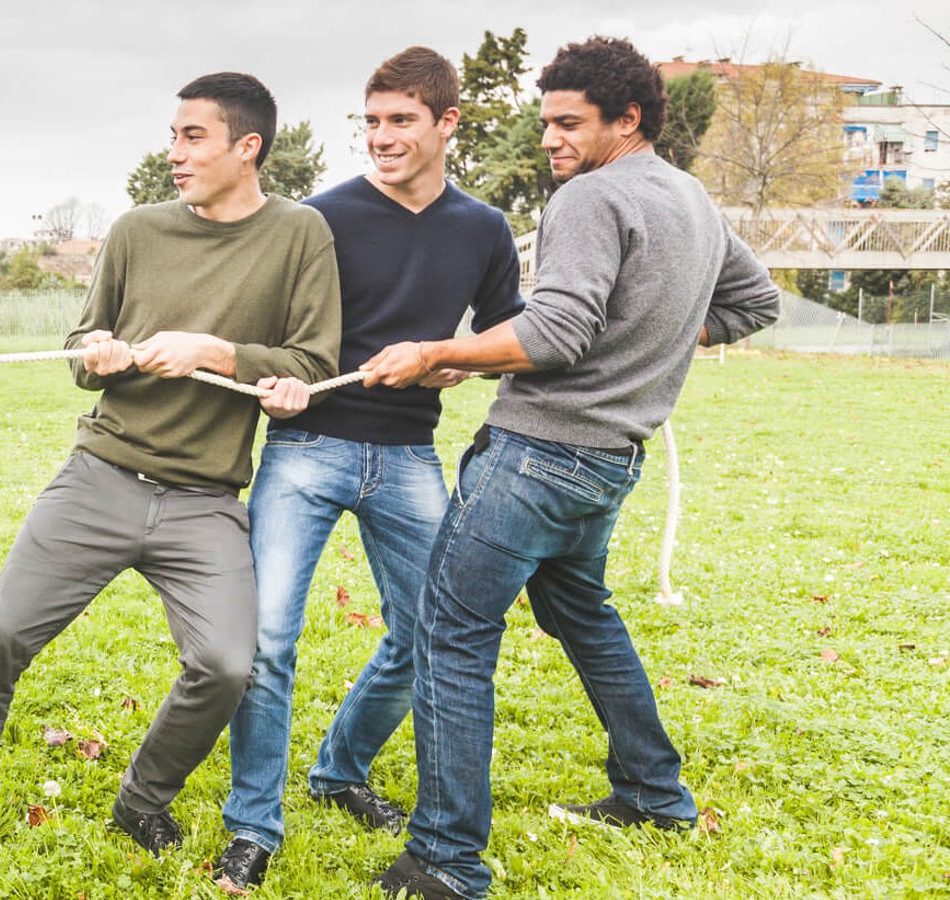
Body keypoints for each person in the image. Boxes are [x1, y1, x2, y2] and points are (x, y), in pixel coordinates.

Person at [356, 37, 780, 900]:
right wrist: (645, 341)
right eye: (544, 120)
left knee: (451, 636)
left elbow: (552, 334)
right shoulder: (691, 198)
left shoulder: (592, 196)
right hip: (607, 468)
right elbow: (753, 302)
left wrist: (445, 350)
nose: (549, 139)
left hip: (537, 460)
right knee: (583, 617)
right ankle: (656, 795)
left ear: (626, 120)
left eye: (567, 122)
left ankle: (444, 858)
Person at [0, 71, 340, 883]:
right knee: (0, 641)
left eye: (192, 136)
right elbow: (83, 345)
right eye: (172, 135)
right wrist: (96, 352)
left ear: (249, 147)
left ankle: (142, 800)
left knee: (228, 666)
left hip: (205, 501)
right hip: (101, 476)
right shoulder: (137, 230)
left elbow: (313, 363)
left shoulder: (300, 234)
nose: (173, 153)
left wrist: (214, 351)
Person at [213, 47, 524, 894]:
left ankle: (340, 768)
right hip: (307, 450)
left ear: (447, 123)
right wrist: (273, 384)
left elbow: (509, 340)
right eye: (373, 120)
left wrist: (457, 359)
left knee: (432, 636)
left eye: (401, 121)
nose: (381, 137)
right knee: (268, 641)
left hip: (410, 454)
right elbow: (275, 334)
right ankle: (251, 826)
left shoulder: (484, 229)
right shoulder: (320, 217)